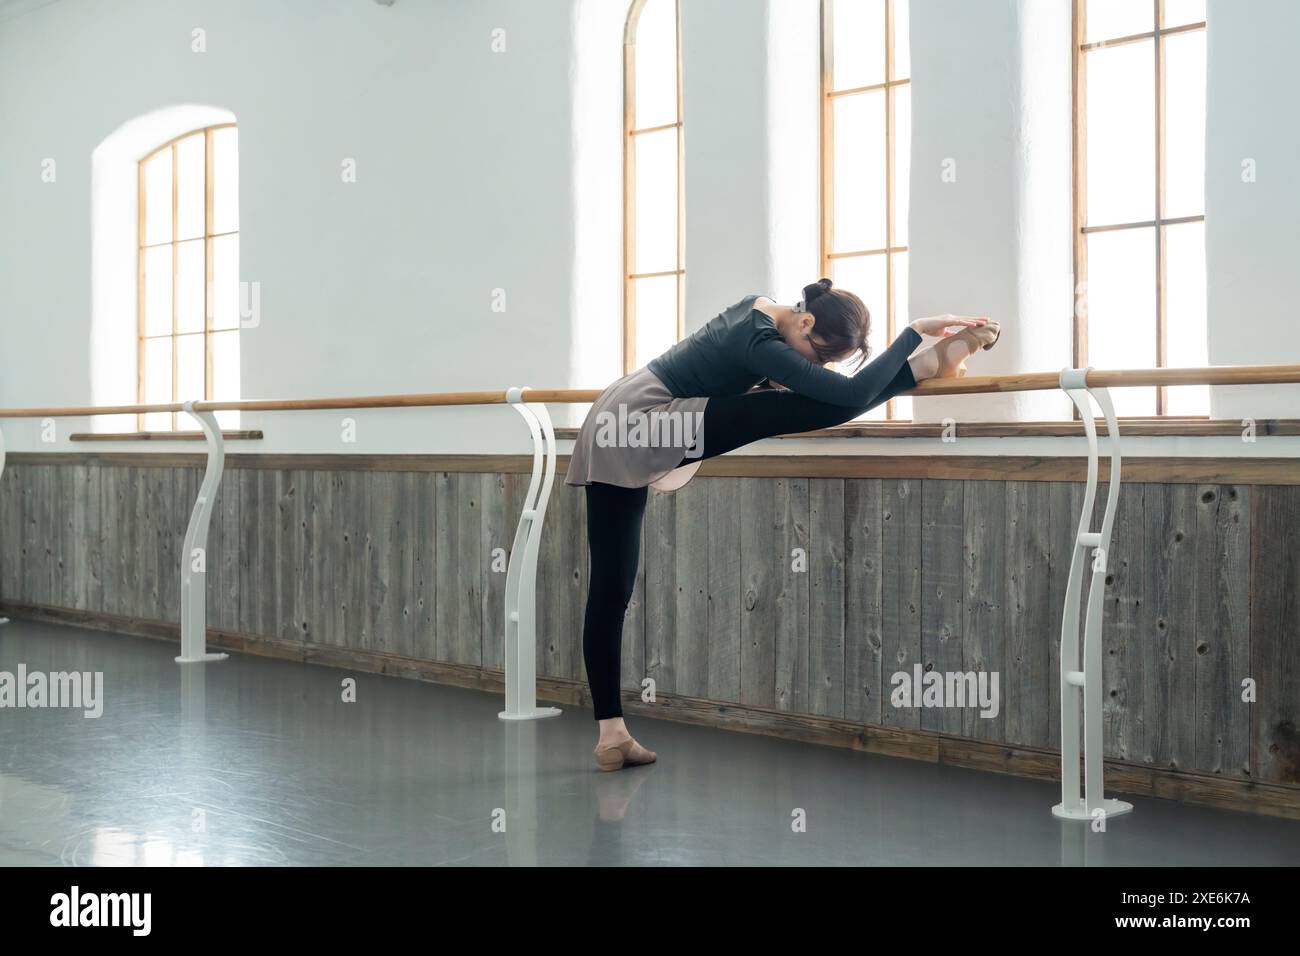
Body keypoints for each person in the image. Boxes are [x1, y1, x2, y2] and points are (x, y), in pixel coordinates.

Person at [565, 279, 1000, 770]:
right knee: (804, 406)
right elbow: (851, 392)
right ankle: (925, 366)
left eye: (824, 362)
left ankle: (612, 736)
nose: (814, 367)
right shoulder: (759, 340)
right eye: (817, 356)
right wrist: (913, 336)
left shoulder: (763, 310)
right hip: (638, 418)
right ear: (807, 321)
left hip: (623, 415)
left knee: (612, 586)